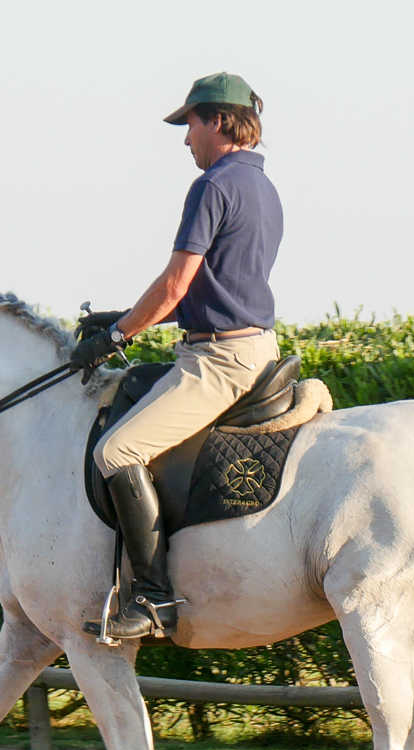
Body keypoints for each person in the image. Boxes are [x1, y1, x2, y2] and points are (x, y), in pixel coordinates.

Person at [71, 72, 284, 641]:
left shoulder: (212, 186)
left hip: (219, 362)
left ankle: (155, 598)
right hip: (251, 346)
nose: (185, 137)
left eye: (189, 123)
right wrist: (122, 319)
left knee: (116, 451)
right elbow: (204, 291)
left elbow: (174, 285)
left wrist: (114, 336)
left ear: (217, 120)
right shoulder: (262, 187)